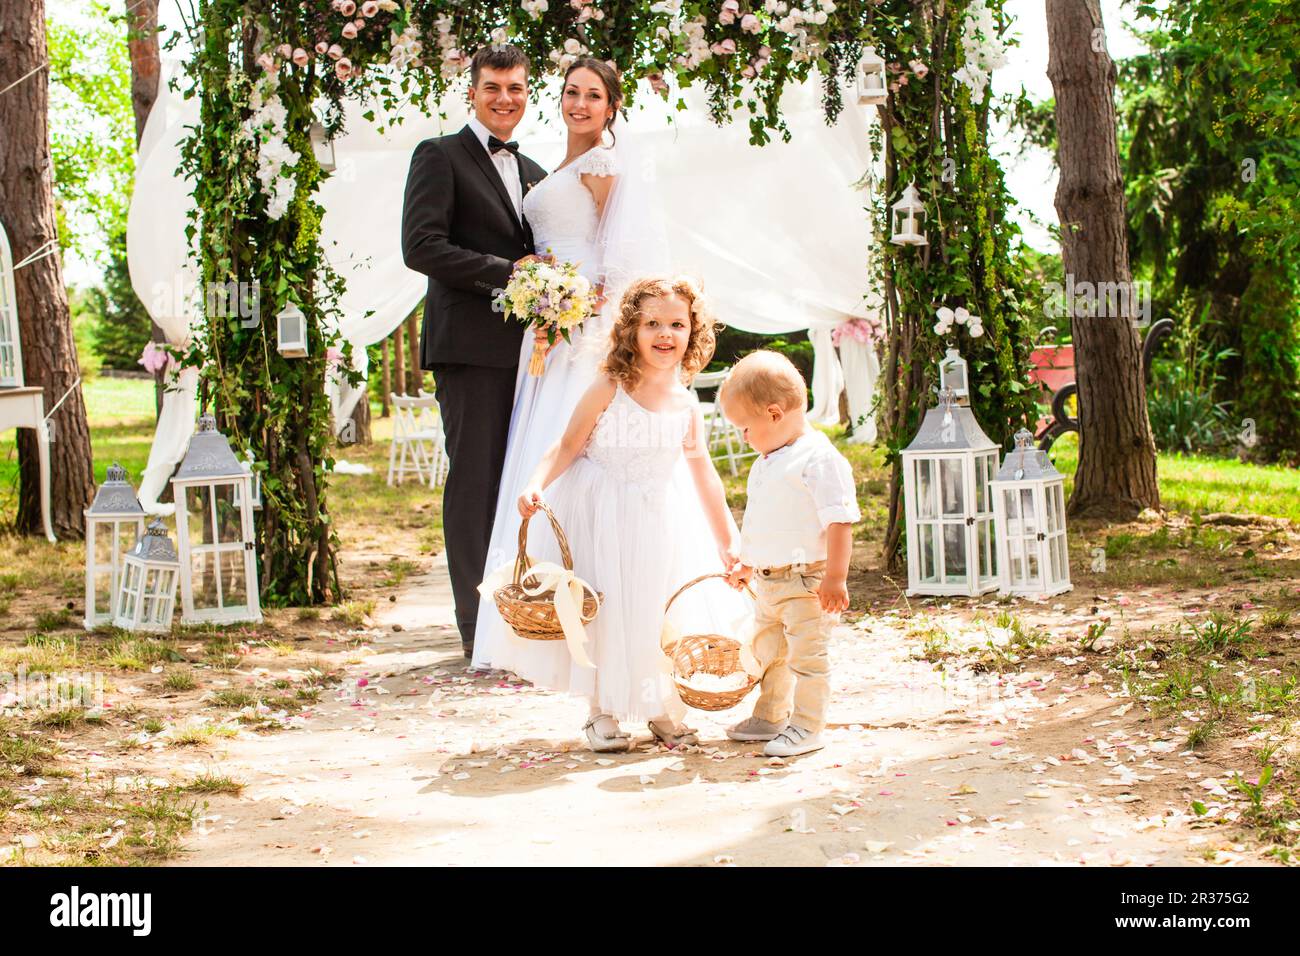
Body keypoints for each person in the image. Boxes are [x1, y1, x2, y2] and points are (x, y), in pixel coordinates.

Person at [471, 58, 671, 672]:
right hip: (552, 331)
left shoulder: (603, 164)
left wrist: (587, 314)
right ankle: (540, 601)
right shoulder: (546, 166)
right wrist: (544, 298)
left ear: (611, 107)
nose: (578, 104)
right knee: (550, 456)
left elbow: (620, 257)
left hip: (583, 329)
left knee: (583, 455)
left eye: (592, 96)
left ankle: (599, 598)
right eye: (570, 93)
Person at [500, 277, 739, 751]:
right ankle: (600, 710)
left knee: (655, 612)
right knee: (604, 612)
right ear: (631, 330)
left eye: (677, 323)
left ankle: (660, 707)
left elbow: (703, 474)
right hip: (601, 512)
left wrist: (728, 539)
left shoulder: (686, 402)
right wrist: (534, 484)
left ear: (694, 331)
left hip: (658, 518)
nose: (664, 333)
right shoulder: (611, 386)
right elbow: (566, 445)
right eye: (652, 323)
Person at [400, 45, 548, 659]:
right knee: (476, 484)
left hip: (536, 356)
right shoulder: (439, 155)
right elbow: (422, 246)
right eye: (493, 88)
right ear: (472, 91)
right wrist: (511, 272)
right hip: (470, 349)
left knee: (525, 485)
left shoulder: (539, 171)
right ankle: (475, 629)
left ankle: (524, 618)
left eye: (515, 88)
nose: (504, 99)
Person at [720, 350, 861, 757]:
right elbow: (765, 521)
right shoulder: (767, 460)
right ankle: (771, 715)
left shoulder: (818, 459)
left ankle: (808, 724)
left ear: (775, 413)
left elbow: (840, 521)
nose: (743, 437)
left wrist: (835, 577)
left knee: (807, 657)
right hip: (769, 582)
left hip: (805, 581)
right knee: (772, 655)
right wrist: (749, 562)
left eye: (745, 428)